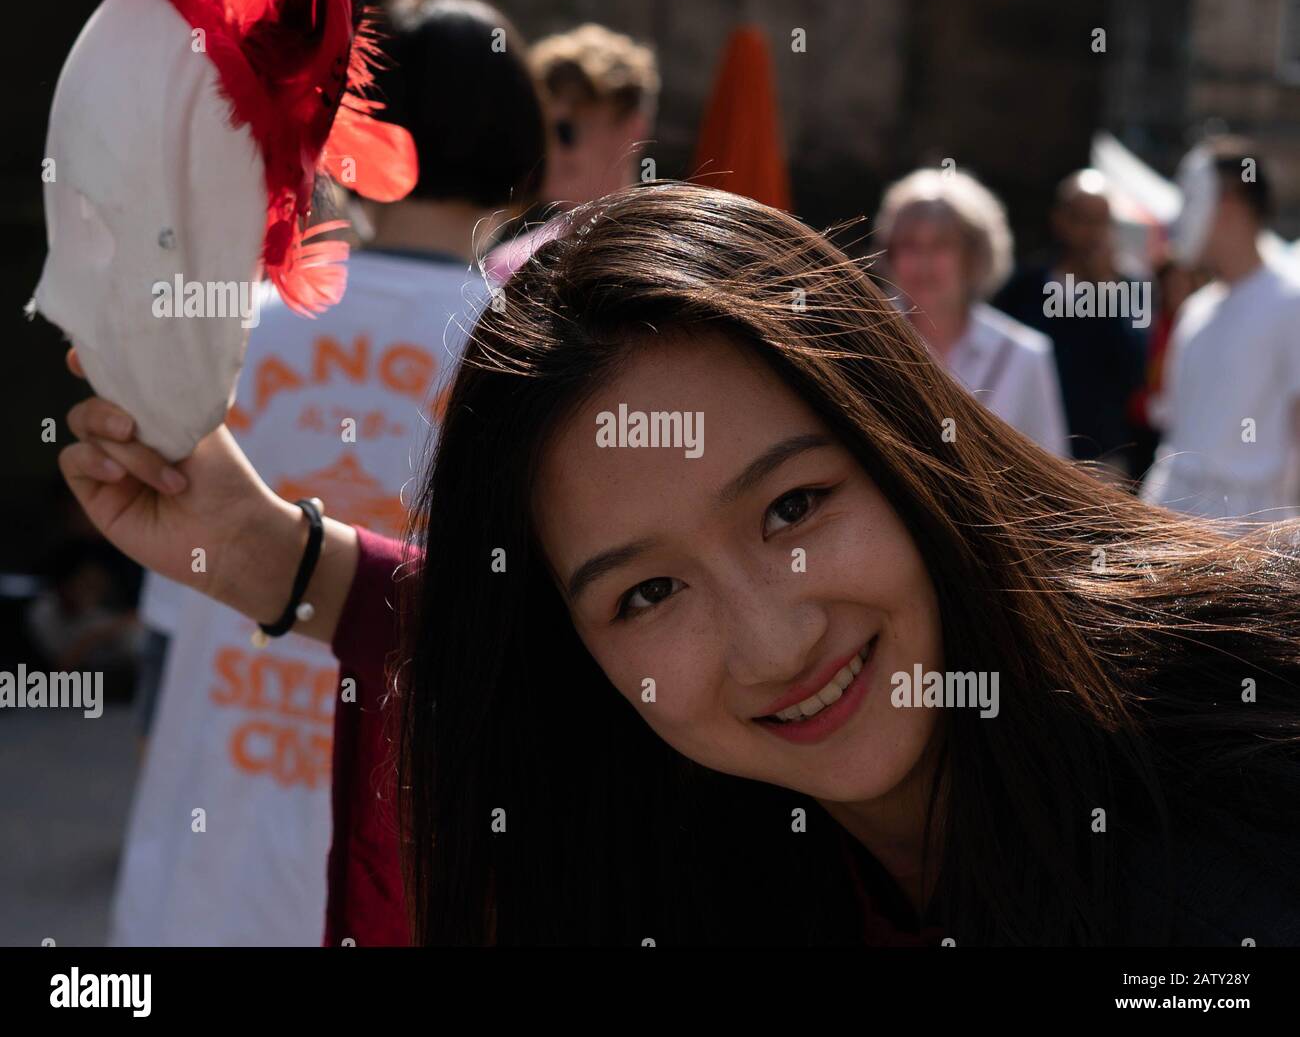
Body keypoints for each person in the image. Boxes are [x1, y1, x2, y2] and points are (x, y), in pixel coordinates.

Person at [60, 184, 1300, 946]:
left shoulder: (1239, 790)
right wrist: (279, 557)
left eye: (794, 506)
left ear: (908, 439)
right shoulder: (712, 834)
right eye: (645, 593)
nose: (773, 642)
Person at [108, 0, 546, 946]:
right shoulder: (543, 366)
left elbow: (167, 630)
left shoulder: (229, 333)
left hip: (206, 872)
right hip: (415, 874)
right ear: (525, 152)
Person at [1140, 137, 1300, 523]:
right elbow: (1176, 432)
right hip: (1173, 521)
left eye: (1192, 197)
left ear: (1228, 204)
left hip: (1249, 538)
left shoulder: (1290, 299)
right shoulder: (1196, 309)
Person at [875, 168, 1070, 456]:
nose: (923, 262)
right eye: (909, 245)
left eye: (940, 245)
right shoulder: (864, 339)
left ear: (974, 256)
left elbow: (1052, 469)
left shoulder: (1023, 355)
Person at [995, 170, 1150, 477]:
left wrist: (1105, 288)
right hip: (1029, 452)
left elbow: (1136, 367)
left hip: (1100, 460)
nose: (1091, 232)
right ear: (1060, 220)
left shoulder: (1130, 287)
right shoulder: (1026, 285)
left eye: (1100, 221)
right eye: (1082, 218)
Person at [485, 23, 660, 285]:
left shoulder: (668, 259)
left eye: (565, 130)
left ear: (633, 128)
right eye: (540, 130)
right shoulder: (506, 268)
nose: (550, 149)